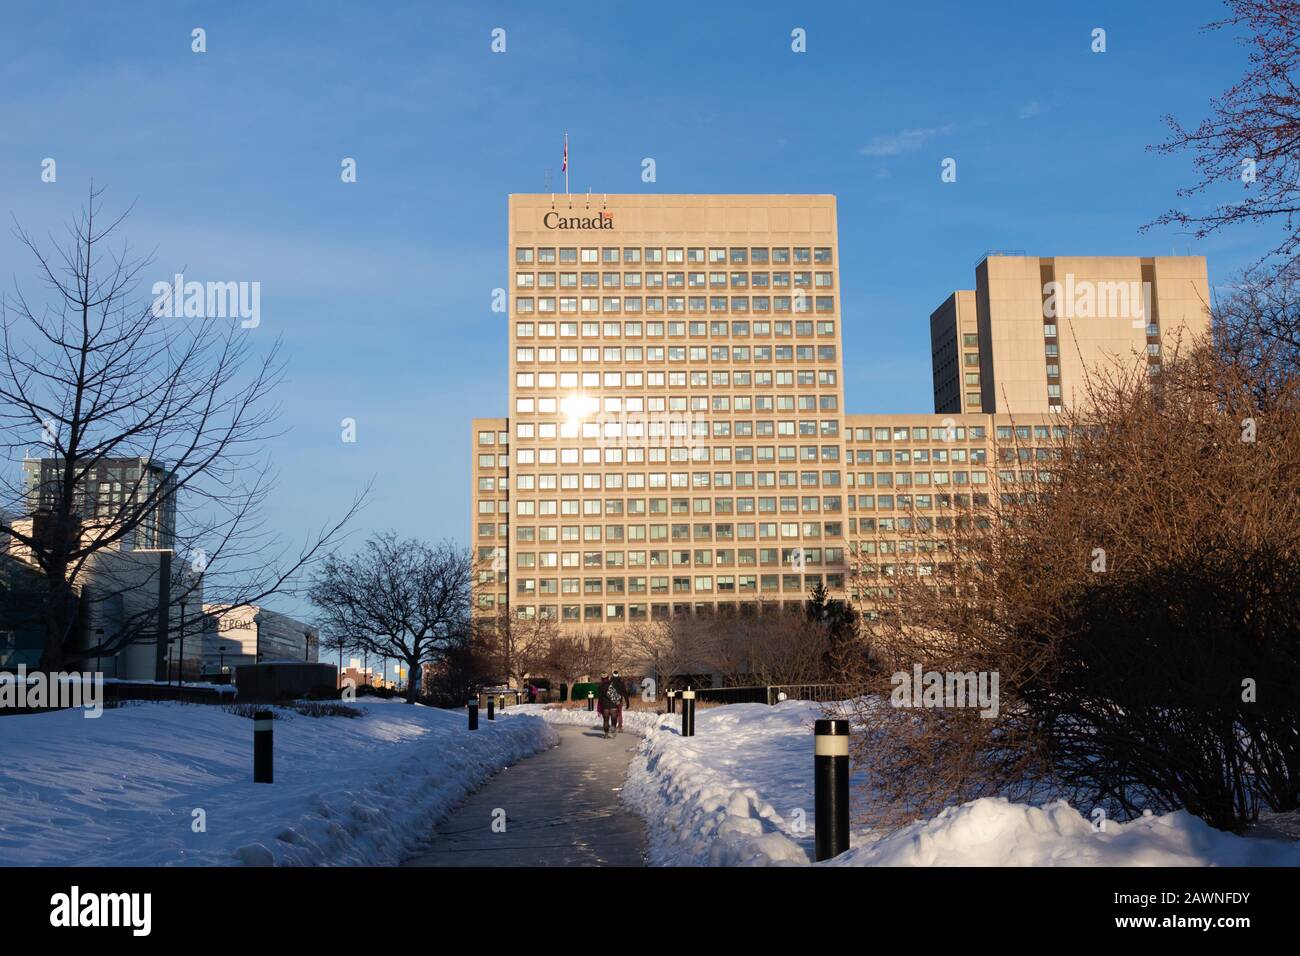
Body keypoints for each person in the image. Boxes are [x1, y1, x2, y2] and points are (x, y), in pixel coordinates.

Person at [598, 670, 626, 738]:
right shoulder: (612, 684)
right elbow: (617, 693)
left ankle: (606, 734)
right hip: (613, 706)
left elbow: (600, 699)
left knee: (606, 720)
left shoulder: (600, 686)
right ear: (608, 677)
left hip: (605, 707)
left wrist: (602, 705)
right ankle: (612, 733)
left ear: (602, 678)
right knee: (614, 721)